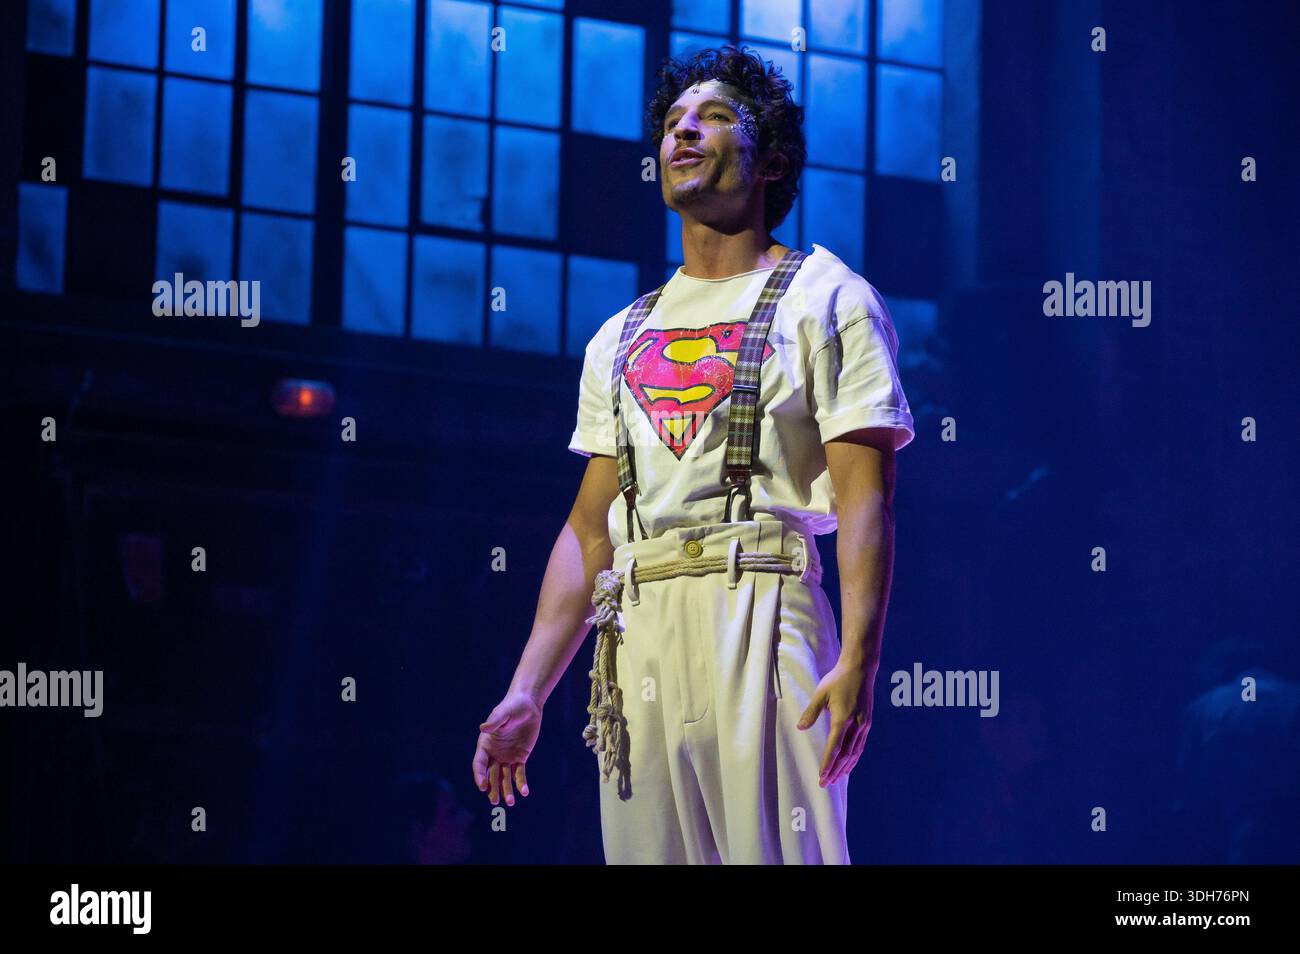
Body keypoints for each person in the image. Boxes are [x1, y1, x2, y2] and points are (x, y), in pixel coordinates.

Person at [472, 44, 914, 864]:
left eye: (712, 118)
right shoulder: (620, 335)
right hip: (638, 628)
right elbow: (590, 530)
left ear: (769, 160)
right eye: (673, 121)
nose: (683, 132)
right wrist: (528, 688)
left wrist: (860, 657)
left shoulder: (828, 300)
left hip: (764, 608)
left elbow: (866, 499)